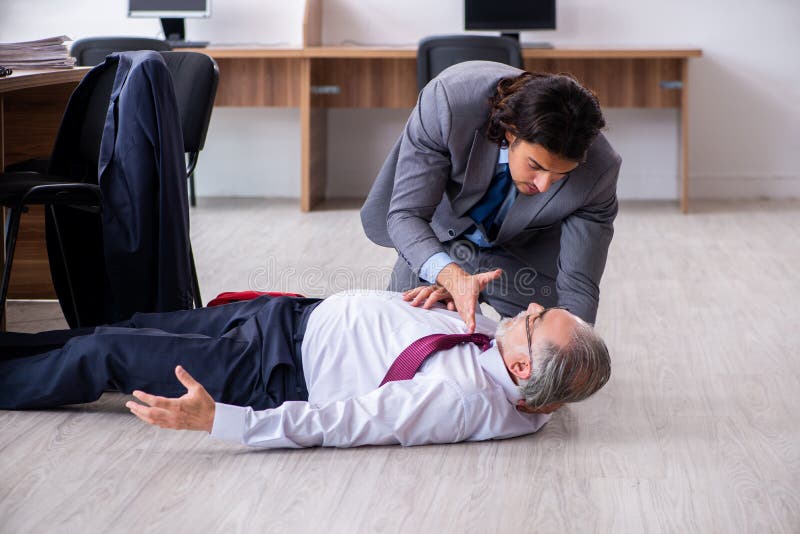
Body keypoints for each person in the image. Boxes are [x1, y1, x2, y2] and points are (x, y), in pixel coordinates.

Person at [0, 290, 611, 449]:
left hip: (267, 371)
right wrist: (441, 294)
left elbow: (342, 421)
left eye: (536, 319)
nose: (528, 309)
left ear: (524, 364)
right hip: (285, 321)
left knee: (102, 356)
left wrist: (226, 420)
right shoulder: (513, 366)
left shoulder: (463, 402)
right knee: (116, 331)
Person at [360, 60, 622, 331]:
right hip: (442, 237)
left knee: (544, 354)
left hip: (524, 255)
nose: (544, 185)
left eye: (560, 176)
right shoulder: (448, 103)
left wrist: (568, 350)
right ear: (511, 131)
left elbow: (578, 287)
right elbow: (407, 214)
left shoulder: (600, 172)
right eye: (535, 166)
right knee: (395, 331)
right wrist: (452, 277)